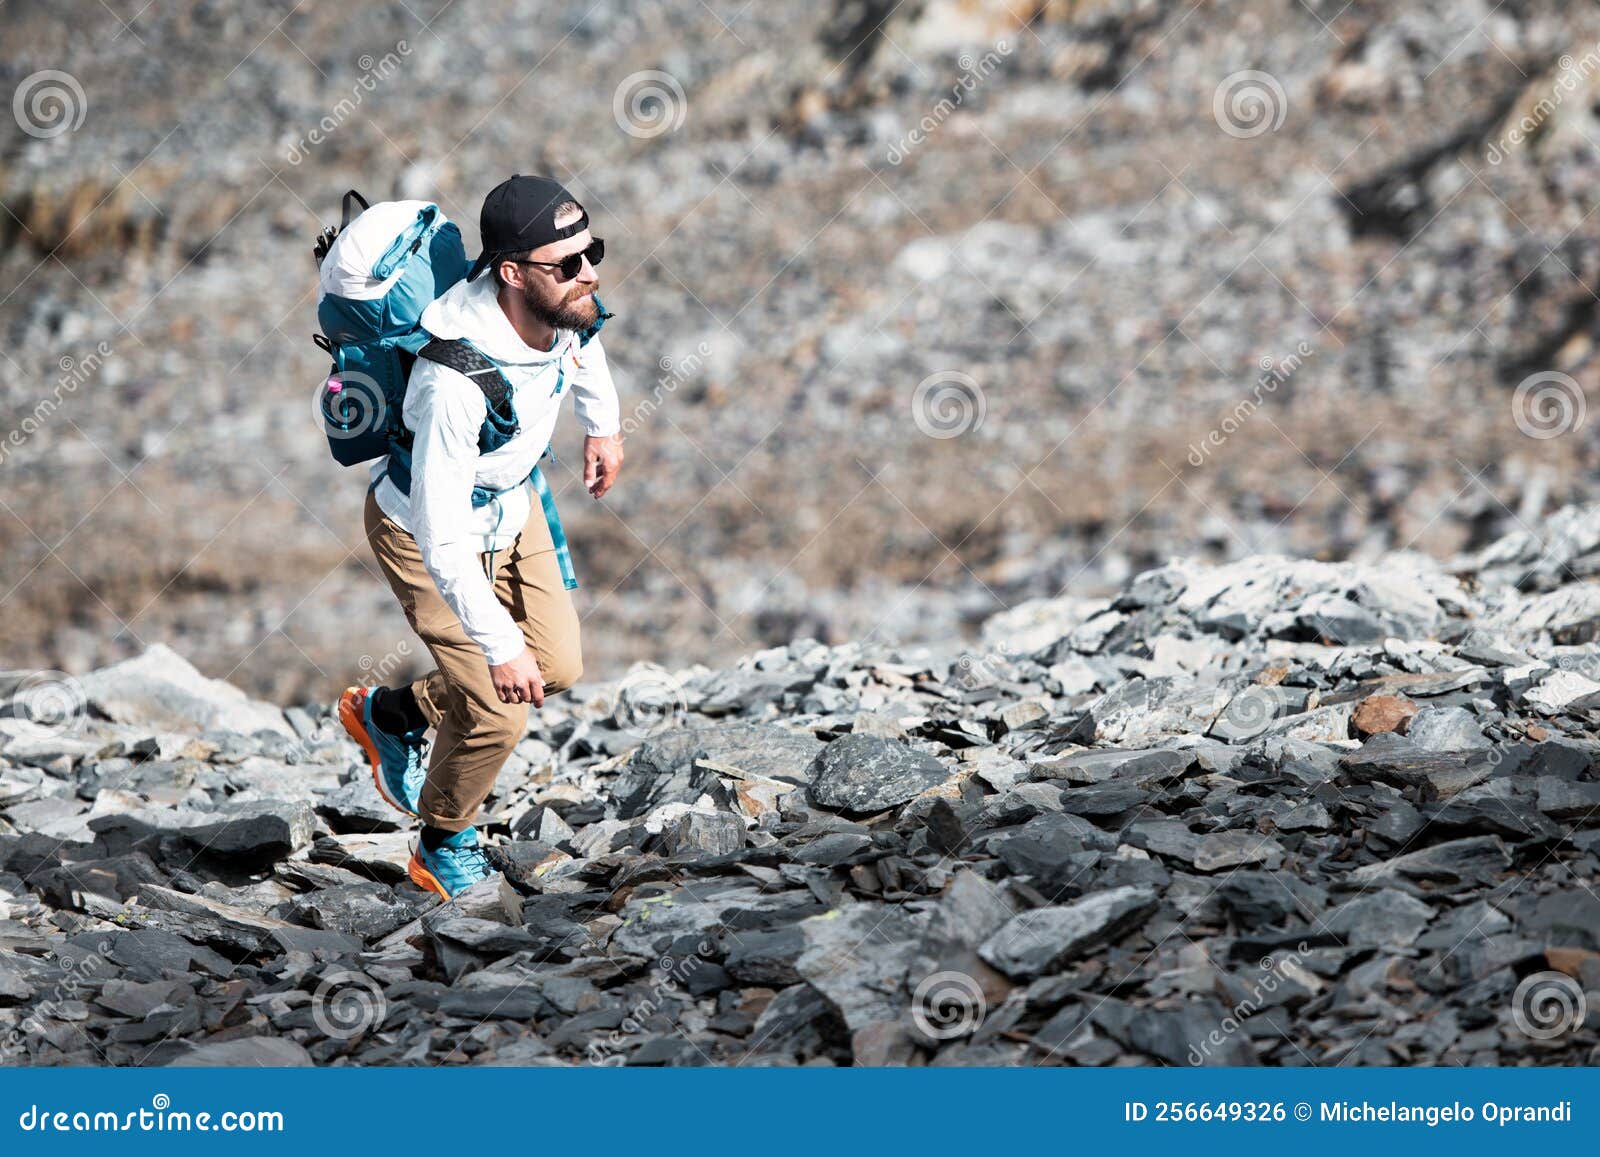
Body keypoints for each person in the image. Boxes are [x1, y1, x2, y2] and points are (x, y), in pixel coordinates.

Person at [338, 175, 624, 897]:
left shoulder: (558, 303)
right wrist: (498, 645)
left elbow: (584, 339)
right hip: (427, 533)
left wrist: (604, 425)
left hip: (513, 505)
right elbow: (440, 536)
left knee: (557, 664)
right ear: (512, 274)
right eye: (569, 263)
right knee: (499, 706)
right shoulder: (453, 381)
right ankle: (441, 840)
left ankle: (392, 714)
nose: (589, 274)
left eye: (593, 252)